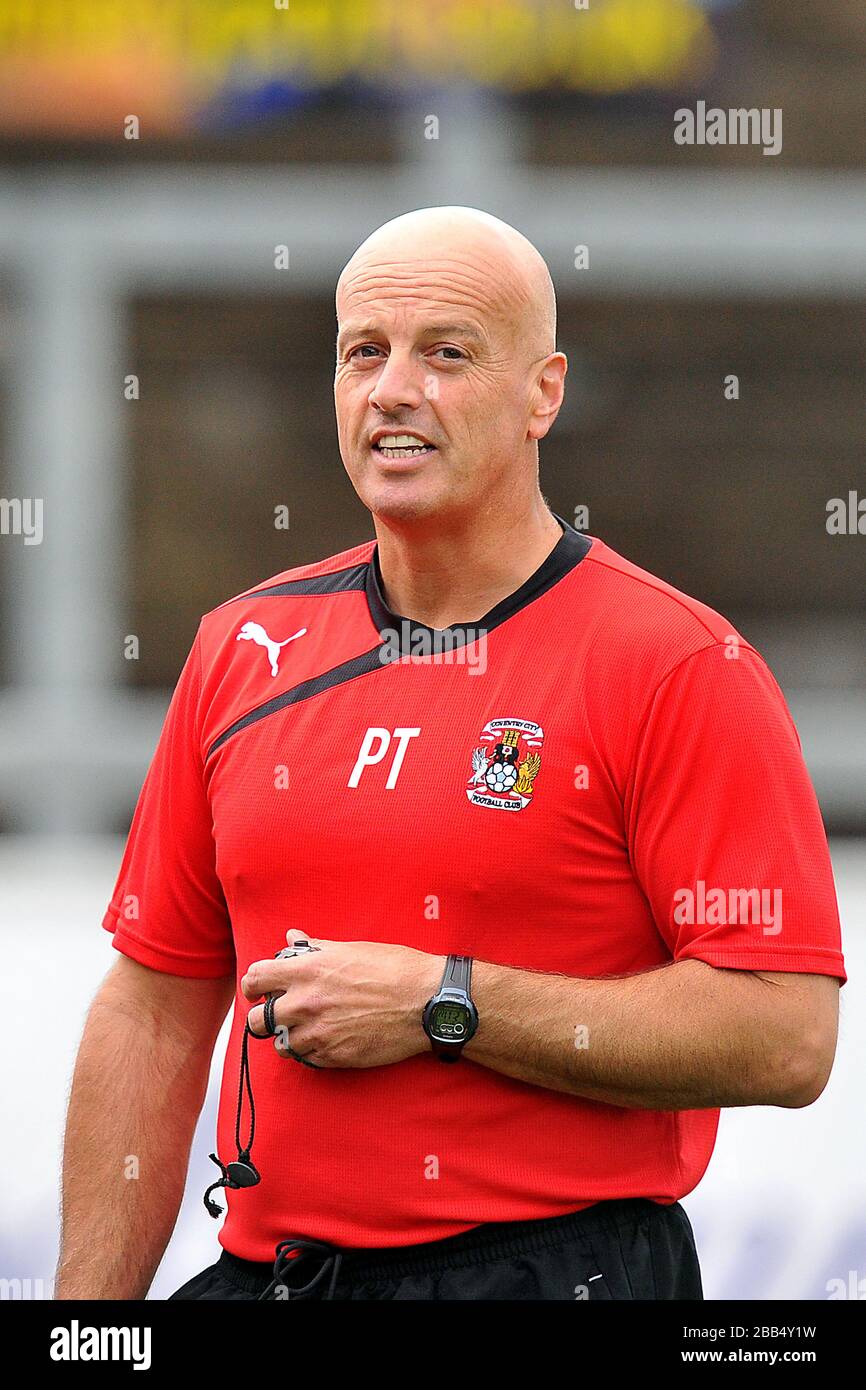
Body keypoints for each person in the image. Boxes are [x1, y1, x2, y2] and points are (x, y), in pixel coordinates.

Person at [56, 207, 845, 1302]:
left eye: (446, 353)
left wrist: (445, 1002)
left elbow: (784, 1032)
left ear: (543, 394)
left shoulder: (675, 662)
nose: (392, 388)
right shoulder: (243, 645)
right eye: (362, 352)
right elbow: (155, 1000)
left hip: (552, 1272)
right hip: (273, 1275)